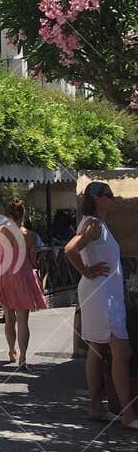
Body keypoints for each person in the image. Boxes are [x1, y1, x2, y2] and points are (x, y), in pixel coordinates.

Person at [64, 182, 137, 429]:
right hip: (102, 294)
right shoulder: (93, 224)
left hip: (100, 293)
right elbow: (70, 250)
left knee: (97, 349)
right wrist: (86, 271)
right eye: (108, 195)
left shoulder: (94, 223)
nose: (113, 198)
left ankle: (97, 407)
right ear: (97, 199)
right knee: (122, 352)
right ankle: (128, 414)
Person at [0, 198, 47, 371]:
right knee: (23, 320)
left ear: (9, 214)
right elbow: (33, 261)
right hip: (23, 275)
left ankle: (11, 351)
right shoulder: (30, 236)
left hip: (4, 273)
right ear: (24, 214)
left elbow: (1, 253)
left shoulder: (1, 230)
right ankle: (23, 357)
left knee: (9, 317)